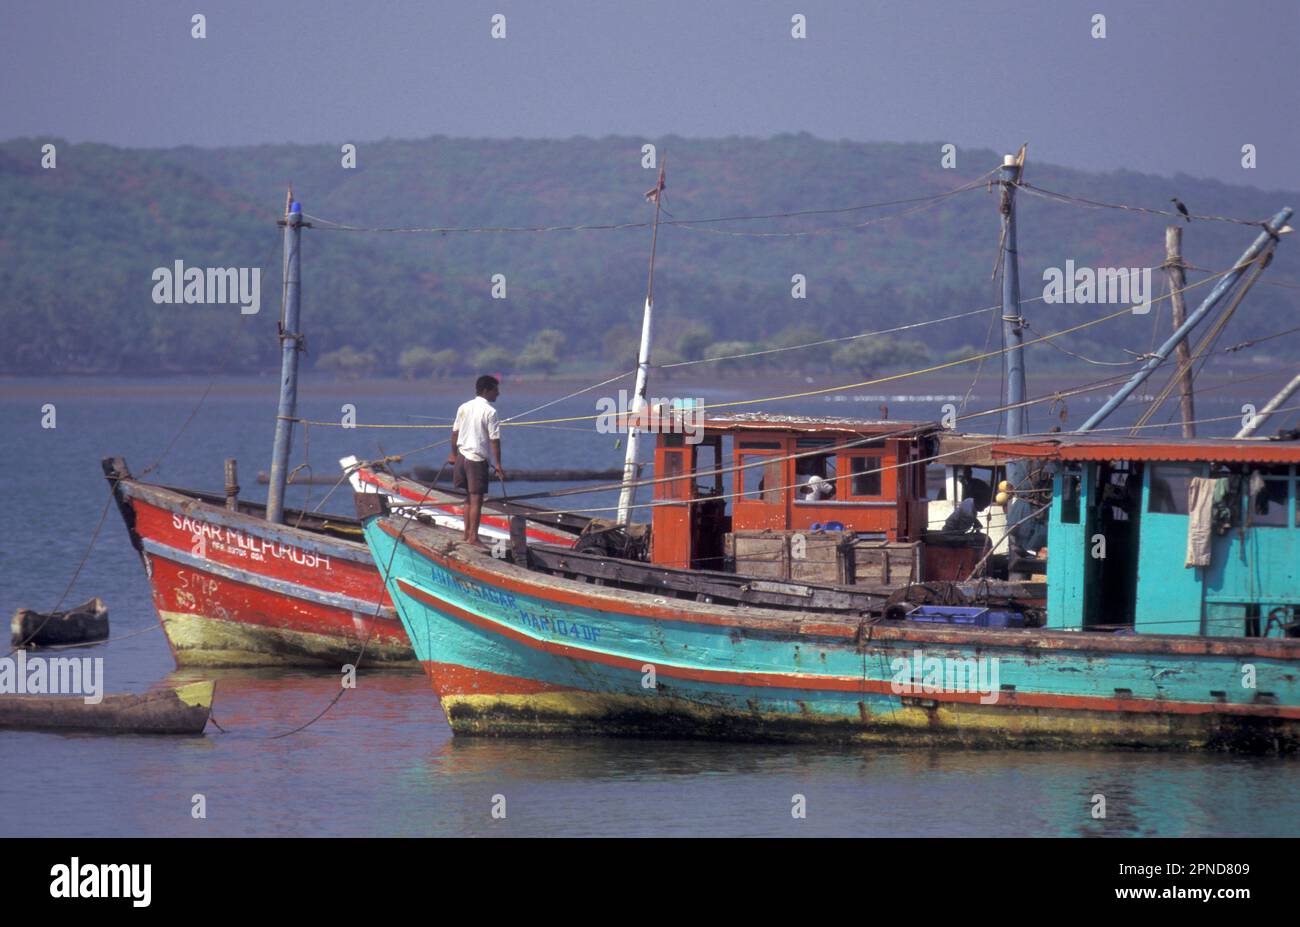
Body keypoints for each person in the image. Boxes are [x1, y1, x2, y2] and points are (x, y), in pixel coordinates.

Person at [447, 375, 506, 548]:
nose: (498, 393)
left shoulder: (463, 407)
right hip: (476, 460)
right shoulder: (491, 412)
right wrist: (499, 465)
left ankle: (467, 534)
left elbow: (455, 434)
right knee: (476, 499)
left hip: (461, 457)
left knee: (468, 498)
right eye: (496, 389)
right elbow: (495, 441)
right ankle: (473, 537)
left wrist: (452, 454)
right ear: (486, 391)